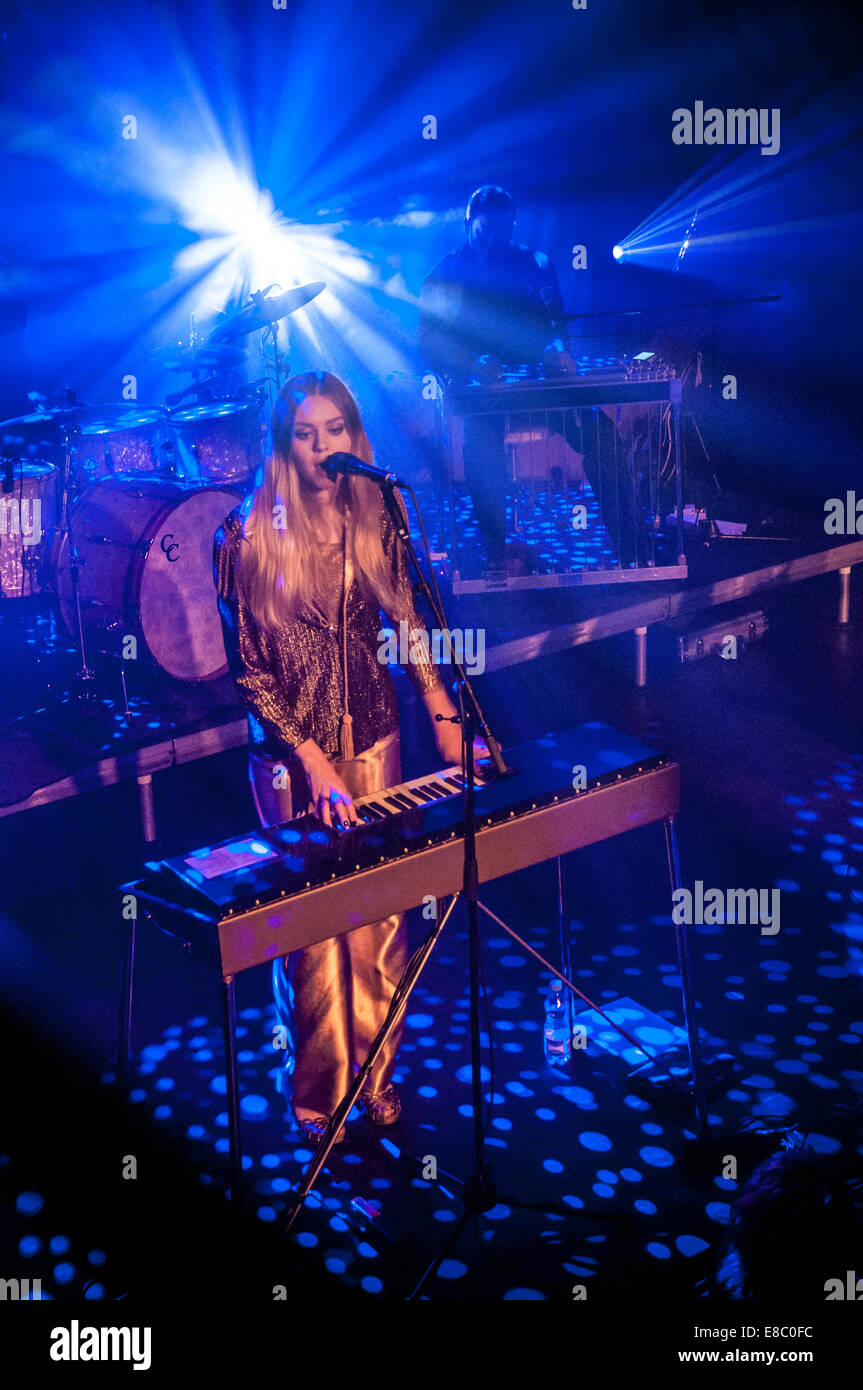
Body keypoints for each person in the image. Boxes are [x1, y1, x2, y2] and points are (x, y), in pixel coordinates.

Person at [213, 370, 484, 1145]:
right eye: (306, 434)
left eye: (334, 430)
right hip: (291, 760)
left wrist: (444, 721)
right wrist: (311, 762)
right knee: (310, 929)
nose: (322, 446)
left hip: (373, 736)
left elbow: (410, 623)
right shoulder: (243, 536)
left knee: (379, 918)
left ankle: (376, 1074)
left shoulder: (376, 514)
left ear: (353, 436)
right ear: (283, 443)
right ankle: (316, 1090)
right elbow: (250, 673)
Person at [419, 185, 637, 568]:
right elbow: (429, 342)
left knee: (600, 436)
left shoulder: (534, 263)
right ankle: (495, 554)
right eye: (484, 231)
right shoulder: (445, 274)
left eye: (501, 232)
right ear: (467, 224)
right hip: (483, 392)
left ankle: (630, 548)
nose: (492, 240)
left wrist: (557, 349)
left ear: (512, 227)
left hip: (539, 382)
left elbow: (555, 322)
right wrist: (472, 363)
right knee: (483, 454)